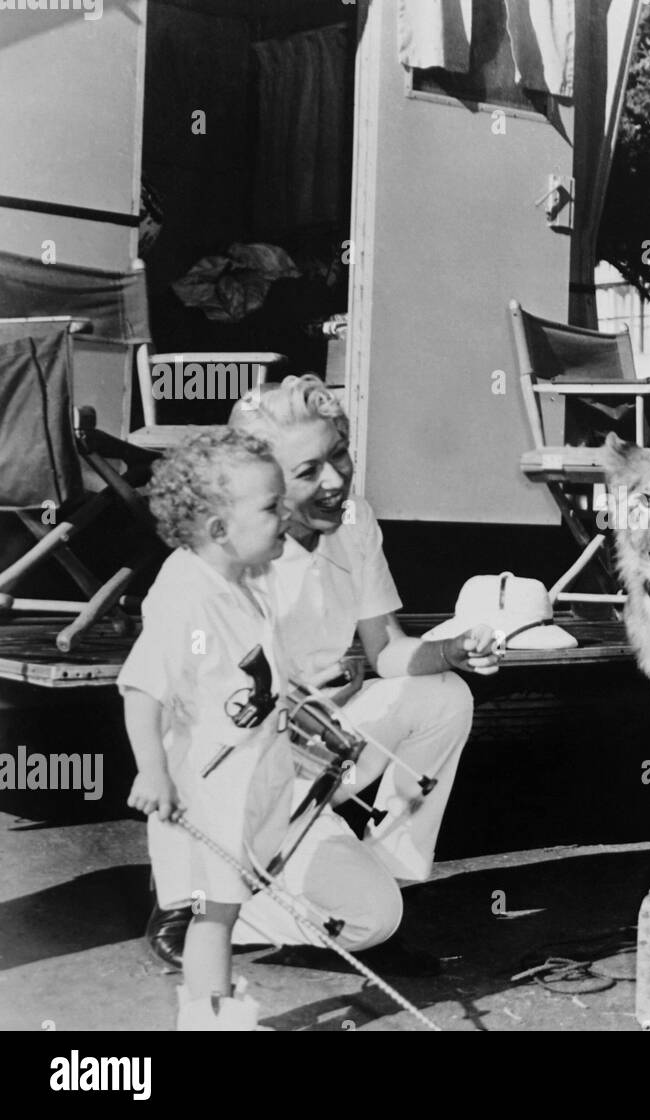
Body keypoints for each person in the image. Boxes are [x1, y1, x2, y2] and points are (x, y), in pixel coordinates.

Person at [145, 375, 498, 970]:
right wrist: (291, 698)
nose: (335, 481)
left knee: (443, 695)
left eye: (339, 454)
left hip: (316, 755)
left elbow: (386, 648)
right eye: (308, 472)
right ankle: (194, 906)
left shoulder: (354, 522)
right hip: (237, 781)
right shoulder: (220, 557)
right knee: (364, 920)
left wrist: (453, 649)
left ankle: (384, 876)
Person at [122, 429, 295, 1029]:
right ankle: (206, 1017)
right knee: (212, 913)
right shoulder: (185, 598)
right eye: (272, 507)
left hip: (241, 782)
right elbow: (142, 688)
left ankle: (212, 1011)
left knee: (222, 909)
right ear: (219, 531)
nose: (286, 515)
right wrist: (152, 773)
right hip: (203, 793)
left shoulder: (241, 585)